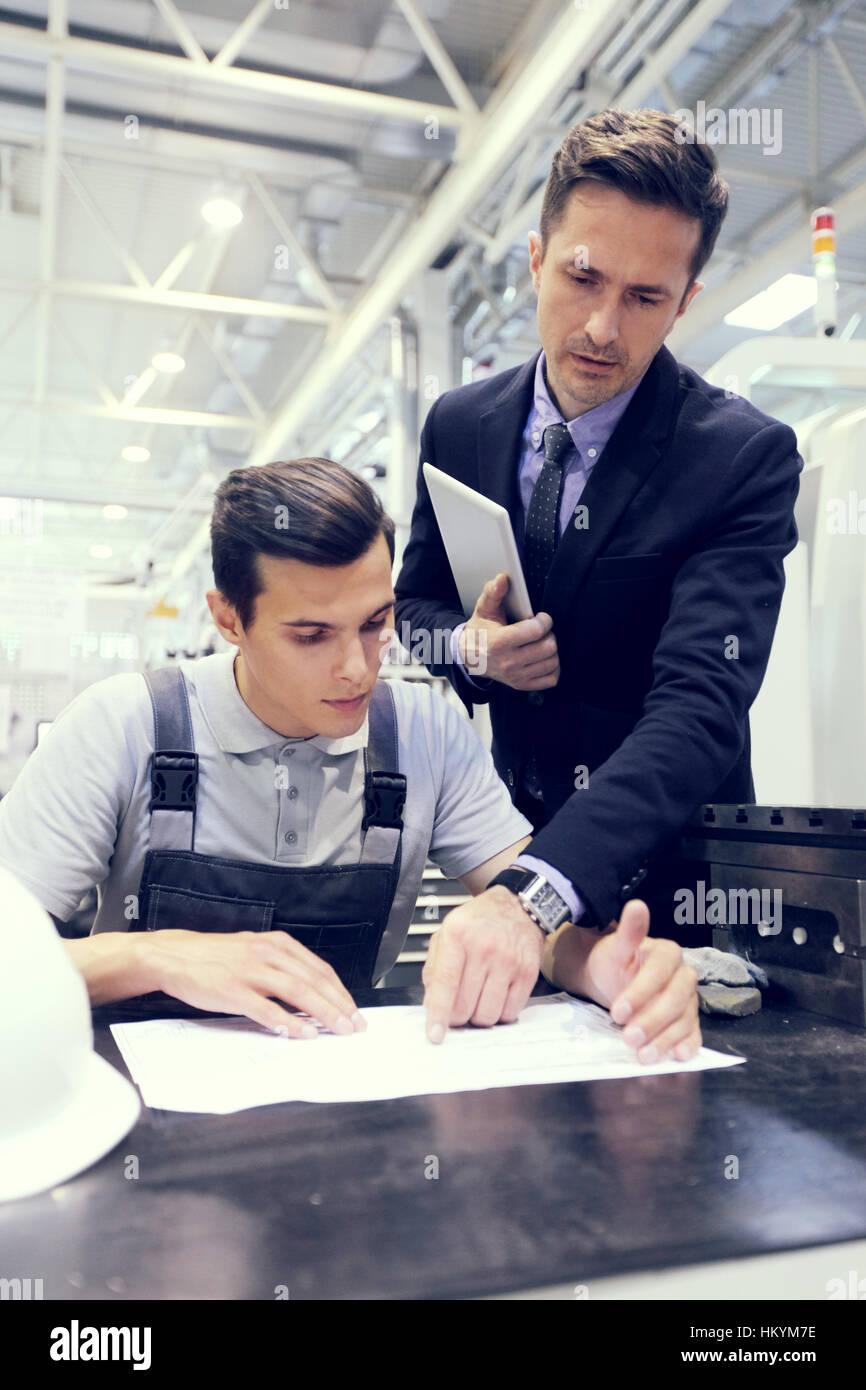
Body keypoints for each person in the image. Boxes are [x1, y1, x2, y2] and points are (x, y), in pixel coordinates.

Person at [0, 458, 698, 1058]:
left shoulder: (426, 733)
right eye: (310, 636)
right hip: (145, 1139)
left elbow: (527, 911)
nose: (356, 670)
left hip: (348, 1129)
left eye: (374, 625)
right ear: (228, 619)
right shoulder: (125, 726)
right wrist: (149, 955)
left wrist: (602, 964)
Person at [394, 108, 802, 977]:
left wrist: (537, 890)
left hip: (679, 896)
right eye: (584, 278)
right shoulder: (461, 425)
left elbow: (699, 710)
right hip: (509, 858)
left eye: (646, 297)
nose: (604, 329)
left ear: (687, 300)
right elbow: (412, 610)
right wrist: (475, 650)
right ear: (537, 260)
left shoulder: (739, 459)